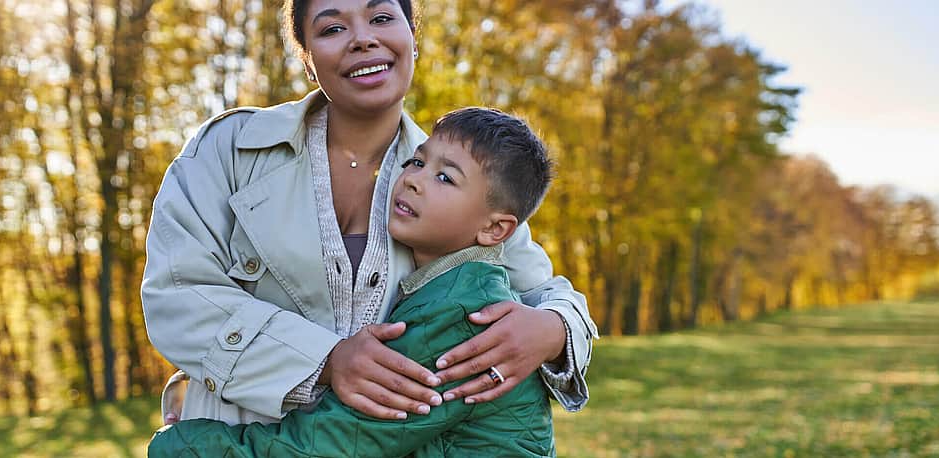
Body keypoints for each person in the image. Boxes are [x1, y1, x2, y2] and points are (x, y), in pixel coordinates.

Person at [141, 0, 597, 427]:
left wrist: (554, 330)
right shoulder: (229, 150)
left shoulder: (463, 181)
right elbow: (176, 295)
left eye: (381, 18)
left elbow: (543, 291)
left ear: (412, 38)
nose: (362, 39)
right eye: (332, 28)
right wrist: (326, 359)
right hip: (232, 439)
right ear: (307, 59)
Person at [149, 107, 559, 457]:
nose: (413, 179)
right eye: (417, 162)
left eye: (445, 178)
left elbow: (337, 443)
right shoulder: (454, 288)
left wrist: (184, 445)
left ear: (494, 230)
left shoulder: (459, 313)